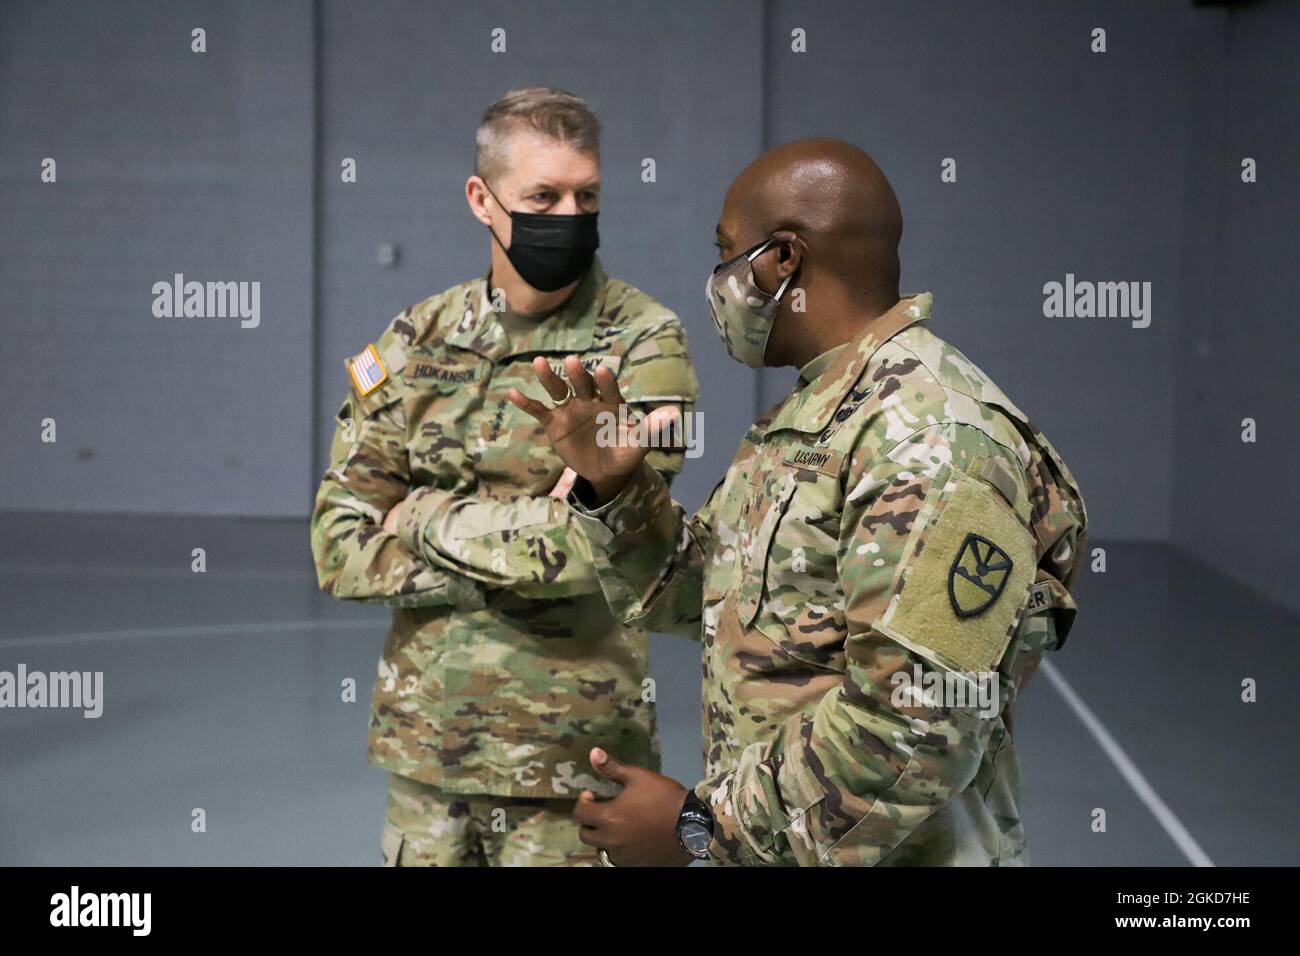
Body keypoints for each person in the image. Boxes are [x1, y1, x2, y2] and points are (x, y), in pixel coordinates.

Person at [509, 138, 1087, 866]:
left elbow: (915, 729)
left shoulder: (932, 436)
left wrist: (698, 828)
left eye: (727, 254)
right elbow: (713, 599)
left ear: (784, 259)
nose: (718, 282)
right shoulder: (818, 415)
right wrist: (617, 488)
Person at [310, 86, 698, 866]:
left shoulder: (644, 344)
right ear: (482, 200)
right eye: (543, 196)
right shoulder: (413, 340)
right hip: (427, 759)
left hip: (576, 767)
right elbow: (338, 544)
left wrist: (419, 516)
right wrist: (527, 526)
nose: (569, 216)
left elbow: (594, 547)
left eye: (586, 196)